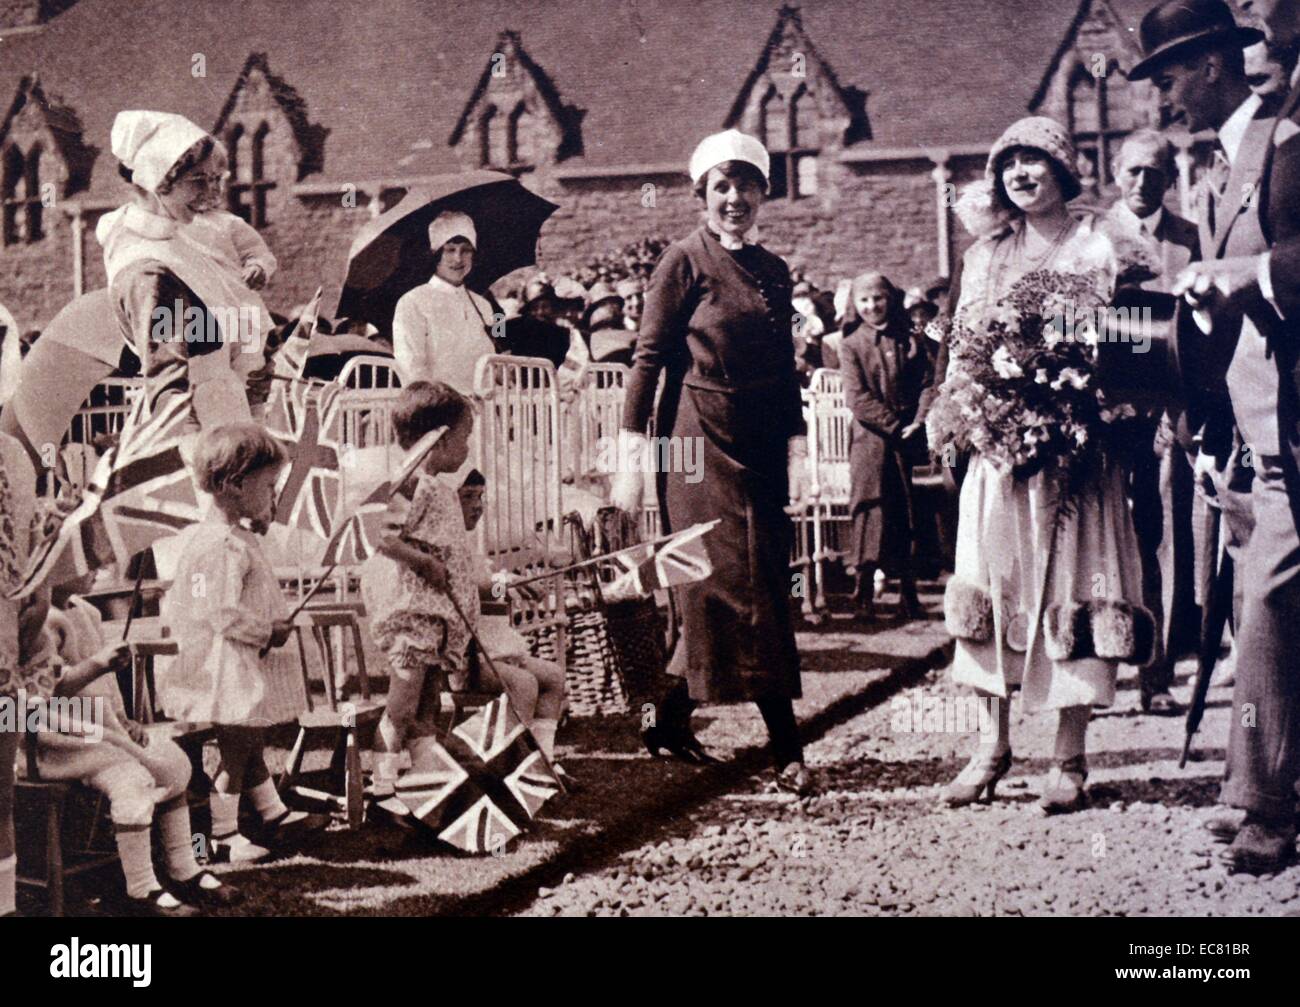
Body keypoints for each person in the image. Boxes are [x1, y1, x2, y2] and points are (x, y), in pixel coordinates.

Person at [936, 116, 1150, 814]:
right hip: (1000, 454)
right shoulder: (986, 254)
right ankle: (989, 745)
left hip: (1075, 455)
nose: (1023, 174)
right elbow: (964, 344)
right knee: (992, 588)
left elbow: (1136, 335)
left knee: (1075, 593)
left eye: (1037, 162)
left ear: (1063, 172)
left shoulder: (1099, 243)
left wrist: (1087, 393)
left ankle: (1069, 755)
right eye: (1010, 164)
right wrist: (962, 408)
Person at [610, 129, 811, 795]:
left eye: (746, 185)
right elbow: (647, 358)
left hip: (759, 448)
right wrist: (631, 454)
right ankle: (788, 748)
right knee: (718, 588)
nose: (735, 198)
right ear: (702, 195)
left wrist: (799, 446)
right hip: (696, 446)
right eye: (721, 187)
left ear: (762, 192)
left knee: (761, 589)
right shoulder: (682, 260)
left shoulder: (774, 271)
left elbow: (785, 370)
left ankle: (665, 718)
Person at [1166, 0, 1300, 873]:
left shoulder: (1284, 139)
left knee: (1269, 598)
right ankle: (1253, 790)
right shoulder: (1224, 159)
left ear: (1212, 65)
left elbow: (1277, 262)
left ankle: (1266, 805)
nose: (1166, 96)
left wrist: (1241, 273)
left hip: (1292, 414)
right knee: (1264, 593)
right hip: (1256, 423)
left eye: (1171, 74)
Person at [159, 423, 328, 863]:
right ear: (234, 485)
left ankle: (271, 811)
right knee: (236, 751)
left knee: (250, 742)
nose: (274, 495)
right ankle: (224, 834)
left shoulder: (235, 537)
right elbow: (218, 611)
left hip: (233, 660)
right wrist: (266, 631)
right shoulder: (219, 546)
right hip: (221, 667)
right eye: (269, 485)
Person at [29, 587, 241, 916]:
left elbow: (106, 687)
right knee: (133, 779)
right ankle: (140, 887)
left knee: (170, 762)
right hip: (58, 738)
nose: (93, 571)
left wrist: (124, 719)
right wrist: (97, 664)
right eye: (83, 561)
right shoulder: (40, 621)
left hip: (104, 728)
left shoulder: (86, 612)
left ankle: (184, 866)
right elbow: (45, 691)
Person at [1104, 129, 1203, 716]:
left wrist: (1175, 410)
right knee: (1097, 545)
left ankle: (1155, 672)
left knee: (1161, 544)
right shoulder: (1091, 237)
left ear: (1171, 177)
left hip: (1169, 419)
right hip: (1101, 416)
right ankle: (1092, 671)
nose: (1145, 183)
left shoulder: (1190, 239)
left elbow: (1199, 334)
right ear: (1117, 171)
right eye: (1135, 170)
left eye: (1157, 173)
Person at [98, 111, 270, 431]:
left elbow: (227, 338)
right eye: (198, 180)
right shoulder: (149, 271)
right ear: (159, 181)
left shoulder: (183, 247)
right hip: (206, 444)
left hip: (229, 424)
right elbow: (169, 392)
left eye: (216, 180)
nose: (213, 194)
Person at [360, 381, 482, 821]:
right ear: (442, 437)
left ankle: (426, 783)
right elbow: (382, 537)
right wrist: (423, 563)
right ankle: (381, 786)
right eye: (465, 438)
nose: (467, 448)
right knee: (403, 702)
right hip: (412, 614)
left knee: (428, 704)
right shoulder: (410, 482)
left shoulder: (436, 487)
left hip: (436, 618)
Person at [456, 470, 569, 778]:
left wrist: (514, 584)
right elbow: (469, 586)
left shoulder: (469, 548)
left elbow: (486, 587)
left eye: (480, 497)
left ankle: (541, 762)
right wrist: (504, 583)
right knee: (524, 683)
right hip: (464, 658)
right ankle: (505, 766)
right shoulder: (448, 548)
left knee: (553, 676)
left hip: (492, 652)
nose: (477, 506)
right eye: (467, 497)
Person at [838, 272, 930, 620]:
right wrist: (893, 425)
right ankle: (863, 595)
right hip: (870, 441)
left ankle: (909, 594)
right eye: (864, 300)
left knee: (905, 511)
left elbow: (927, 383)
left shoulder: (910, 339)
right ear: (855, 304)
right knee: (869, 508)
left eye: (878, 298)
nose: (871, 306)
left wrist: (918, 420)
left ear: (889, 299)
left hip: (905, 442)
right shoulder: (851, 344)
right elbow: (857, 397)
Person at [392, 211, 496, 397]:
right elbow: (411, 366)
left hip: (484, 409)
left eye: (466, 250)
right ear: (436, 255)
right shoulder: (413, 301)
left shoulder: (482, 305)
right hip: (439, 409)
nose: (458, 258)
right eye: (450, 250)